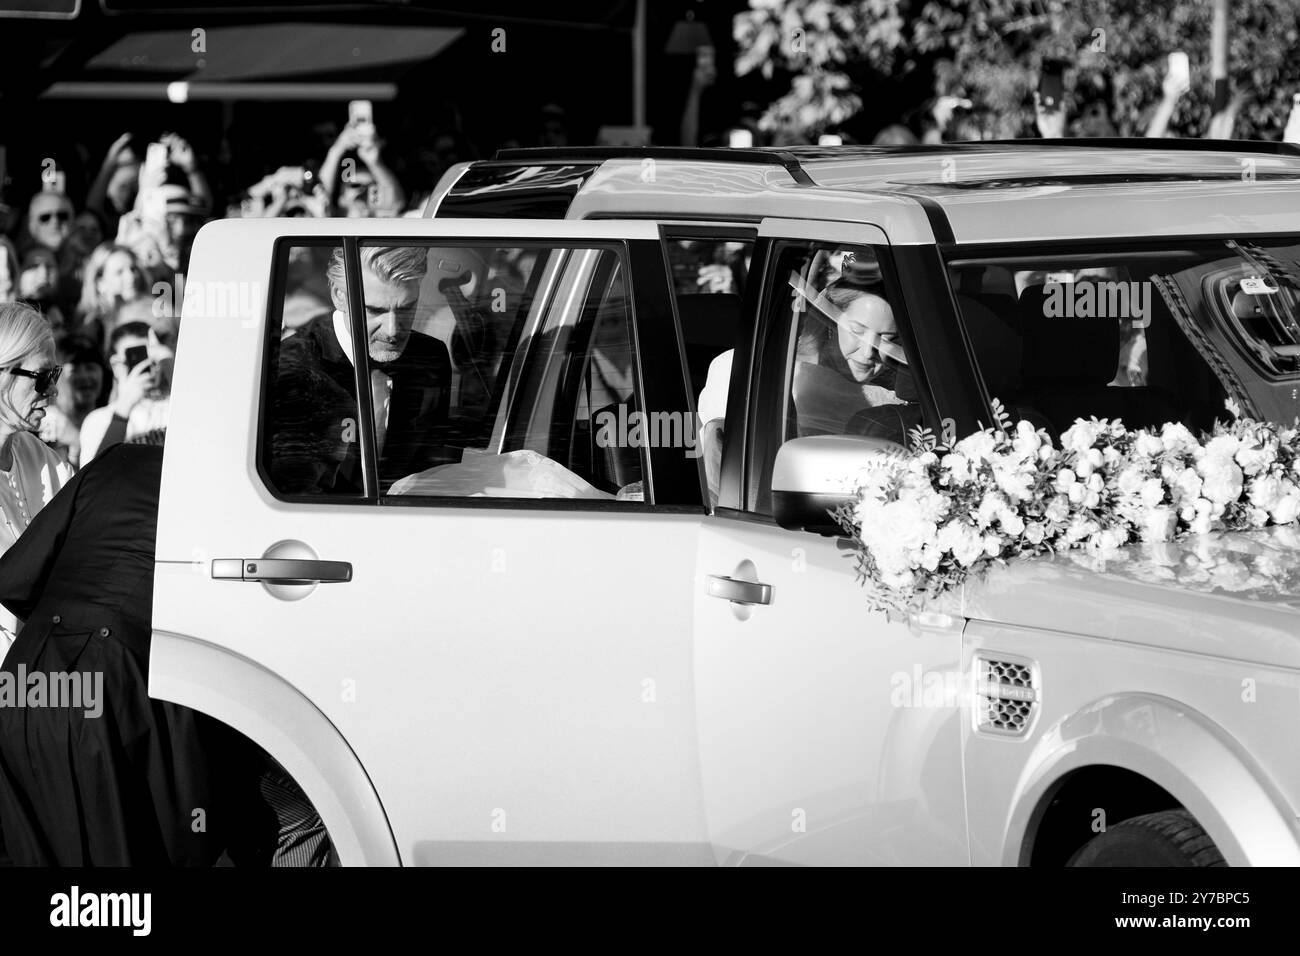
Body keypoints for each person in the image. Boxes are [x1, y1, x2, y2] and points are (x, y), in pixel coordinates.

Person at [0, 442, 336, 866]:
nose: (328, 483)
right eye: (328, 467)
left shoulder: (118, 462)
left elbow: (14, 581)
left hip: (29, 685)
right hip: (127, 698)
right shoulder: (260, 501)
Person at [271, 245, 450, 492]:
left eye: (407, 307)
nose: (392, 329)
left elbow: (435, 469)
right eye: (375, 310)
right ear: (338, 295)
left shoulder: (431, 357)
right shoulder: (292, 367)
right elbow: (292, 489)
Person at [0, 302, 74, 654]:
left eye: (55, 377)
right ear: (4, 373)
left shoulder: (37, 454)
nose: (53, 391)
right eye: (44, 377)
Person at [78, 317, 172, 463]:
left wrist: (167, 360)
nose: (145, 364)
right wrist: (124, 408)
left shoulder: (173, 406)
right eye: (134, 356)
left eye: (149, 356)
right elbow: (94, 479)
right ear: (115, 365)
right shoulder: (98, 420)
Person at [38, 333, 110, 467]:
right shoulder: (43, 422)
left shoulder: (109, 422)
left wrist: (75, 440)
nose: (84, 376)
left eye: (90, 367)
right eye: (75, 369)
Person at [75, 243, 146, 349]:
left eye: (133, 269)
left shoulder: (148, 313)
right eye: (119, 272)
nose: (131, 277)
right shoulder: (93, 327)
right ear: (100, 282)